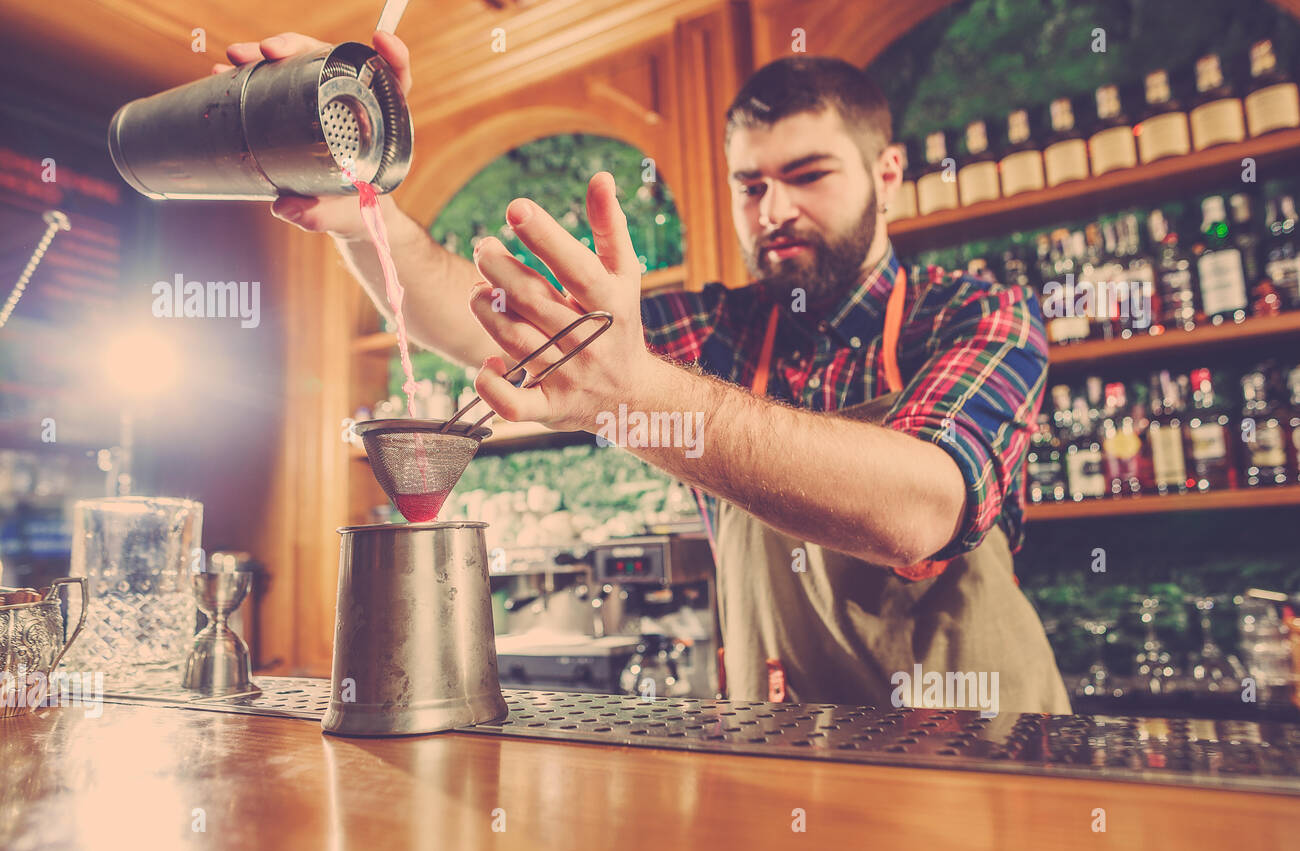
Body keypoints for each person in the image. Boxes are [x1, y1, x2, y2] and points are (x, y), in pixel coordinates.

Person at [219, 32, 1071, 713]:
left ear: (887, 175)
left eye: (808, 176)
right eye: (750, 186)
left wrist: (637, 392)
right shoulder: (722, 328)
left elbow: (917, 510)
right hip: (787, 756)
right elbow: (502, 332)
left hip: (985, 755)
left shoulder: (975, 314)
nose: (774, 211)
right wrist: (365, 215)